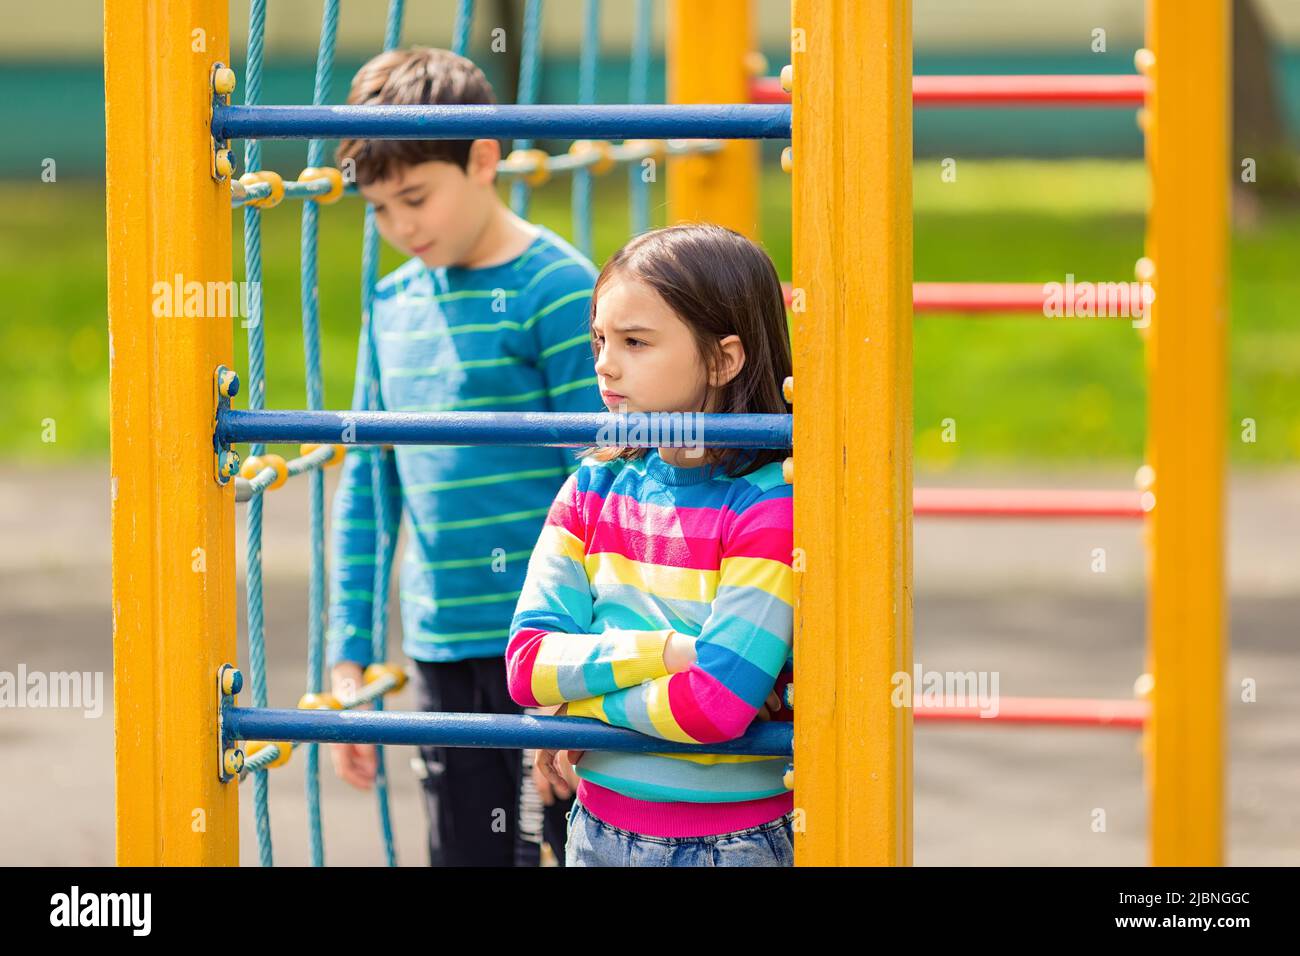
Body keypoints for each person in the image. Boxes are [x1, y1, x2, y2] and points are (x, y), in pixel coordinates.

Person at [324, 46, 596, 867]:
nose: (401, 226)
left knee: (566, 842)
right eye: (378, 209)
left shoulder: (559, 289)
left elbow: (601, 481)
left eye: (414, 197)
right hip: (442, 641)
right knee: (464, 853)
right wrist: (351, 651)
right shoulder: (392, 304)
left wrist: (595, 655)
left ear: (484, 160)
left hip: (552, 641)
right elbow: (369, 484)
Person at [505, 223, 796, 867]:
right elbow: (526, 666)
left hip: (730, 842)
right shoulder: (594, 486)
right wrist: (674, 651)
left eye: (636, 342)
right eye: (600, 340)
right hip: (597, 824)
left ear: (724, 359)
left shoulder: (767, 504)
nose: (606, 363)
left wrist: (577, 708)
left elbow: (716, 707)